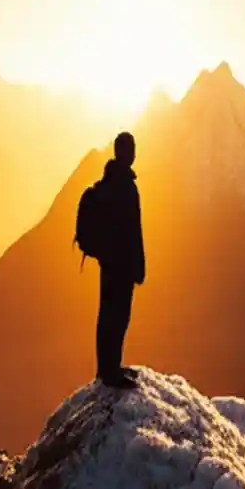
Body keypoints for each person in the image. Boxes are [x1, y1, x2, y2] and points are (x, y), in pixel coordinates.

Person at [95, 131, 145, 389]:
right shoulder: (125, 187)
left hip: (109, 264)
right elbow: (132, 230)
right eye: (131, 149)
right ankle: (111, 371)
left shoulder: (109, 182)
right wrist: (138, 266)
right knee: (118, 316)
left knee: (107, 315)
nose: (134, 153)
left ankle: (107, 367)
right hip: (121, 266)